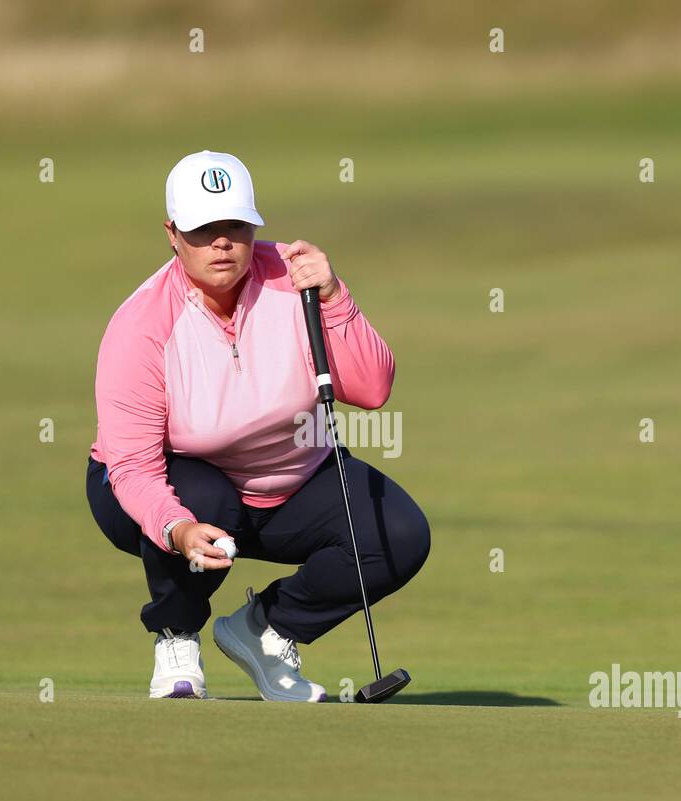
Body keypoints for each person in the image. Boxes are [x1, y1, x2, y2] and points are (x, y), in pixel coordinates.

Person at [86, 150, 429, 702]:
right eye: (203, 229)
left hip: (289, 480)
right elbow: (133, 467)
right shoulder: (141, 325)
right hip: (159, 486)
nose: (222, 242)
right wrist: (176, 528)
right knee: (207, 500)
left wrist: (336, 299)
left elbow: (371, 389)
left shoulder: (295, 281)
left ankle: (266, 632)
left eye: (235, 226)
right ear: (173, 234)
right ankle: (176, 635)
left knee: (400, 536)